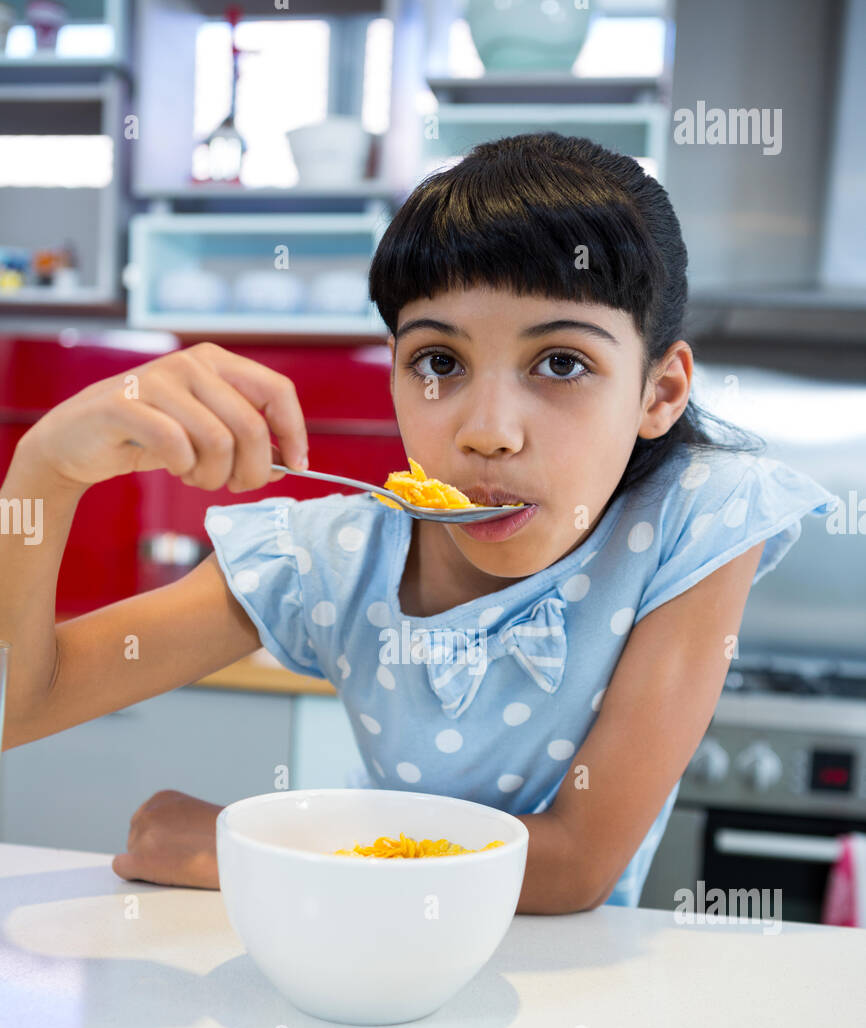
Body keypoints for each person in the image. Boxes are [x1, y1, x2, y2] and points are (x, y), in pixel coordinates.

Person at [0, 133, 837, 911]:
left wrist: (257, 852)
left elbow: (578, 864)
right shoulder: (327, 559)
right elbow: (20, 703)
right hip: (369, 969)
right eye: (439, 363)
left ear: (659, 392)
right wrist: (45, 470)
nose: (488, 431)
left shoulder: (698, 515)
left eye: (561, 363)